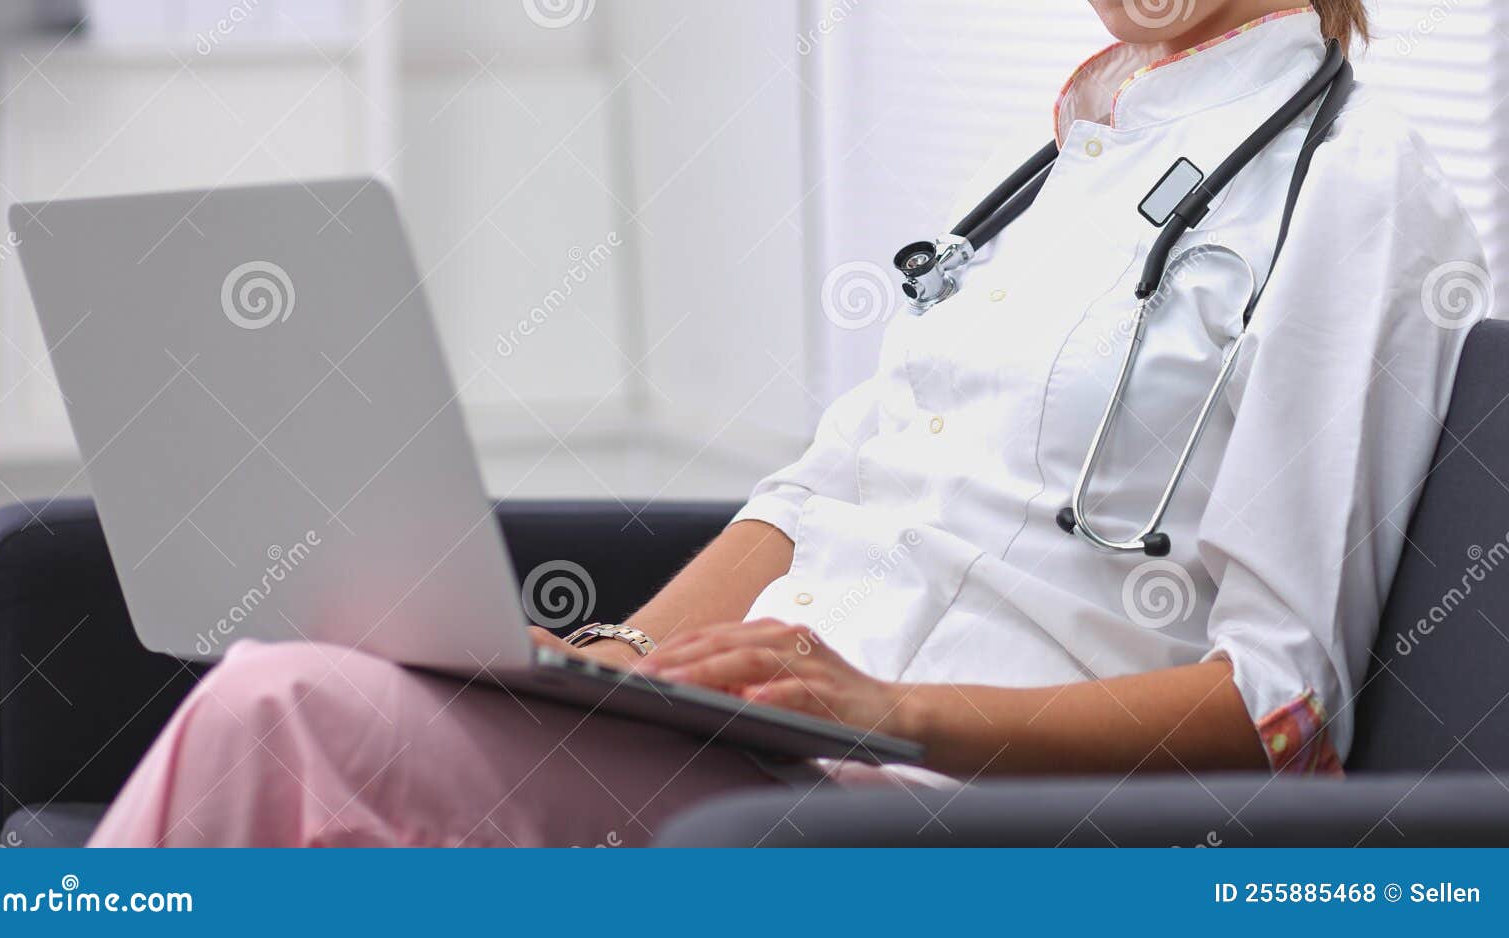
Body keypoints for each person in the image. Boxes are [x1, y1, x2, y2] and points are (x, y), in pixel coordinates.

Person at [90, 0, 1487, 847]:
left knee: (281, 718)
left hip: (923, 813)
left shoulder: (1359, 193)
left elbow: (1283, 708)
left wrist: (901, 711)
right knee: (305, 681)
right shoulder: (1071, 161)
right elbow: (827, 492)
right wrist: (616, 656)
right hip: (757, 745)